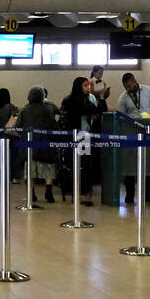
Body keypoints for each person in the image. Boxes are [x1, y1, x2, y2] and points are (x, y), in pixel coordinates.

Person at [117, 73, 150, 204]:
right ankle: (130, 194)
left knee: (148, 164)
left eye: (130, 86)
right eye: (126, 87)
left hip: (147, 130)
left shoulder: (148, 90)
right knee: (130, 164)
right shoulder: (123, 97)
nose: (128, 89)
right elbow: (120, 116)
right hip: (131, 133)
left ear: (135, 81)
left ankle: (148, 194)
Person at [17, 86, 58, 204]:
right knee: (48, 168)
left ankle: (32, 193)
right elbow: (53, 126)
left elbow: (19, 126)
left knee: (30, 169)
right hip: (45, 144)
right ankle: (48, 192)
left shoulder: (24, 110)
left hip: (29, 145)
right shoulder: (47, 109)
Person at [60, 77, 96, 206]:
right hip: (74, 136)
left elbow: (94, 110)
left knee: (85, 166)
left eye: (88, 85)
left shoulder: (86, 100)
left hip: (84, 135)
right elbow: (89, 110)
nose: (88, 88)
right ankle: (75, 193)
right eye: (85, 86)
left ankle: (85, 194)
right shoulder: (72, 101)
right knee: (74, 166)